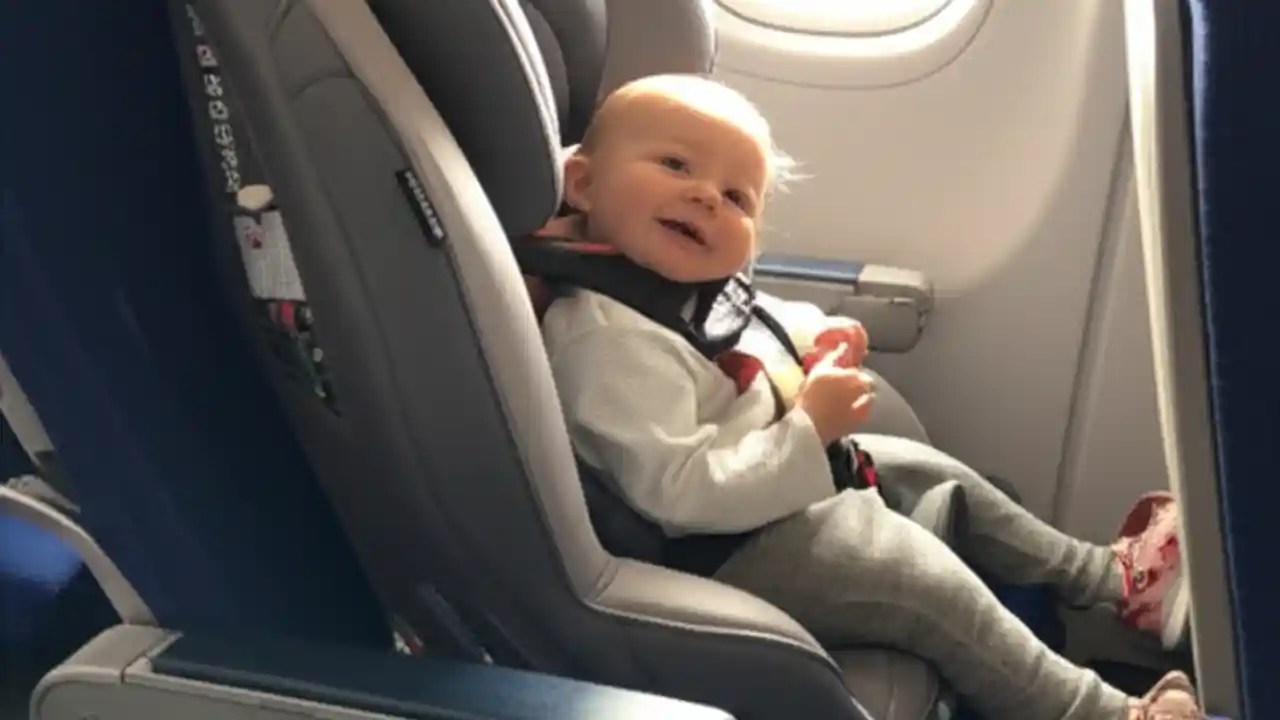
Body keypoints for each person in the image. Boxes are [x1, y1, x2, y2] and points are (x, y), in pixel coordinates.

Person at [525, 73, 1203, 720]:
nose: (707, 195)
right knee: (920, 582)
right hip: (720, 551)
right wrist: (808, 430)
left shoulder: (662, 274)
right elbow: (678, 492)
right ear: (582, 184)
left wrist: (815, 332)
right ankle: (1100, 710)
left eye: (738, 198)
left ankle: (1112, 580)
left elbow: (744, 321)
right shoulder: (604, 340)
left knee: (930, 471)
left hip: (765, 488)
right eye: (675, 165)